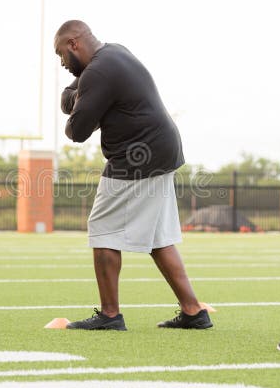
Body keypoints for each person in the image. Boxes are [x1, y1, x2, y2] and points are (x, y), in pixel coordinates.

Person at [55, 20, 211, 331]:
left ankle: (110, 315)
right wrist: (82, 98)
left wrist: (82, 100)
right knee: (159, 237)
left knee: (102, 229)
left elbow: (77, 130)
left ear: (74, 44)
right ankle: (194, 311)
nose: (61, 63)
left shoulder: (98, 72)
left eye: (61, 54)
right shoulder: (115, 53)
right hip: (161, 150)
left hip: (138, 155)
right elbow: (69, 100)